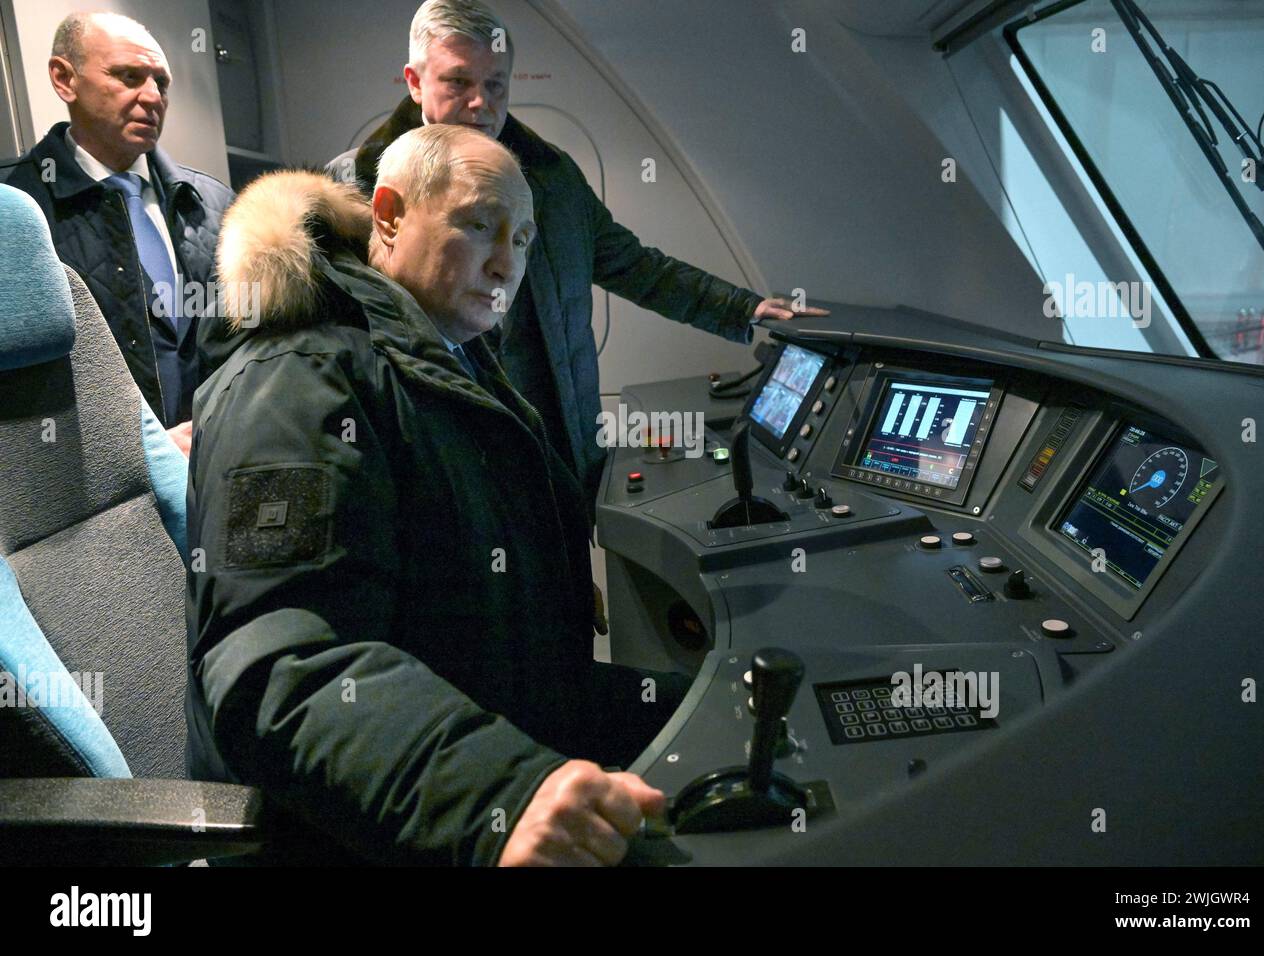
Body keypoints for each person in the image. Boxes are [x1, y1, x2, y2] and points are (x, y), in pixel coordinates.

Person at [187, 124, 686, 866]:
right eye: (479, 224)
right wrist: (500, 799)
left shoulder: (450, 357)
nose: (506, 262)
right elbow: (279, 668)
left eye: (523, 239)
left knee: (718, 718)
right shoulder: (298, 379)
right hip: (373, 826)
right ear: (387, 215)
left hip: (506, 708)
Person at [315, 0, 826, 509]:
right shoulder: (356, 185)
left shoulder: (553, 181)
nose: (480, 103)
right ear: (414, 81)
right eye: (458, 83)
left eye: (495, 84)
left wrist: (744, 307)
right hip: (437, 457)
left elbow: (635, 266)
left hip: (557, 446)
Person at [1, 11, 233, 453]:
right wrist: (141, 450)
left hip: (220, 467)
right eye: (128, 77)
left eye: (161, 83)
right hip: (97, 494)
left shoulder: (211, 202)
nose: (152, 97)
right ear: (64, 79)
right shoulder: (16, 212)